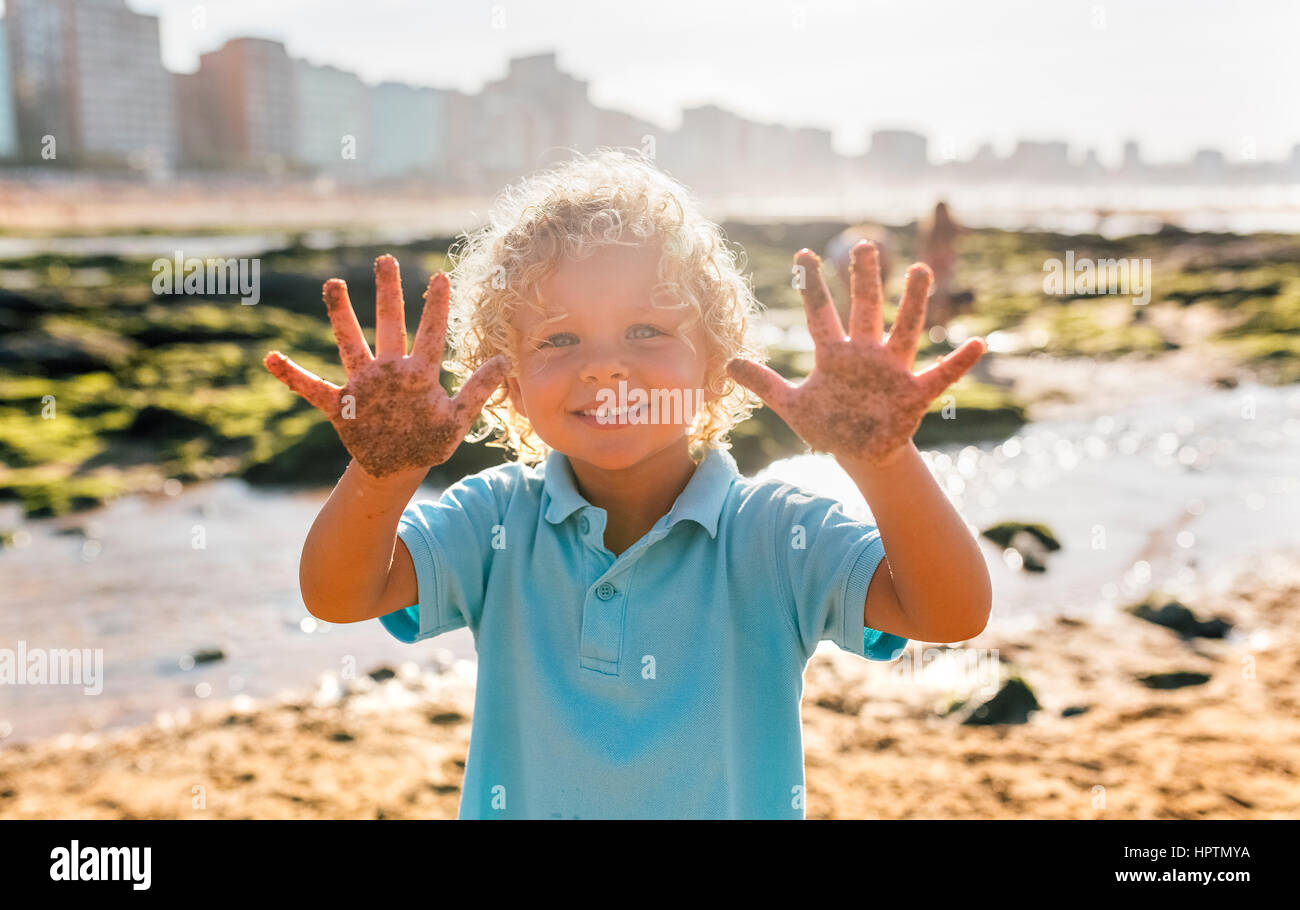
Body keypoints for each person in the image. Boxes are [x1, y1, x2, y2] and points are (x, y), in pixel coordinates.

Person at [263, 149, 991, 819]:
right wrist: (384, 471)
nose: (605, 367)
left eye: (646, 330)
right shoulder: (493, 521)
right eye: (558, 337)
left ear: (715, 365)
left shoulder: (775, 533)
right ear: (507, 384)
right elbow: (339, 594)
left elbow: (949, 612)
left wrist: (884, 460)